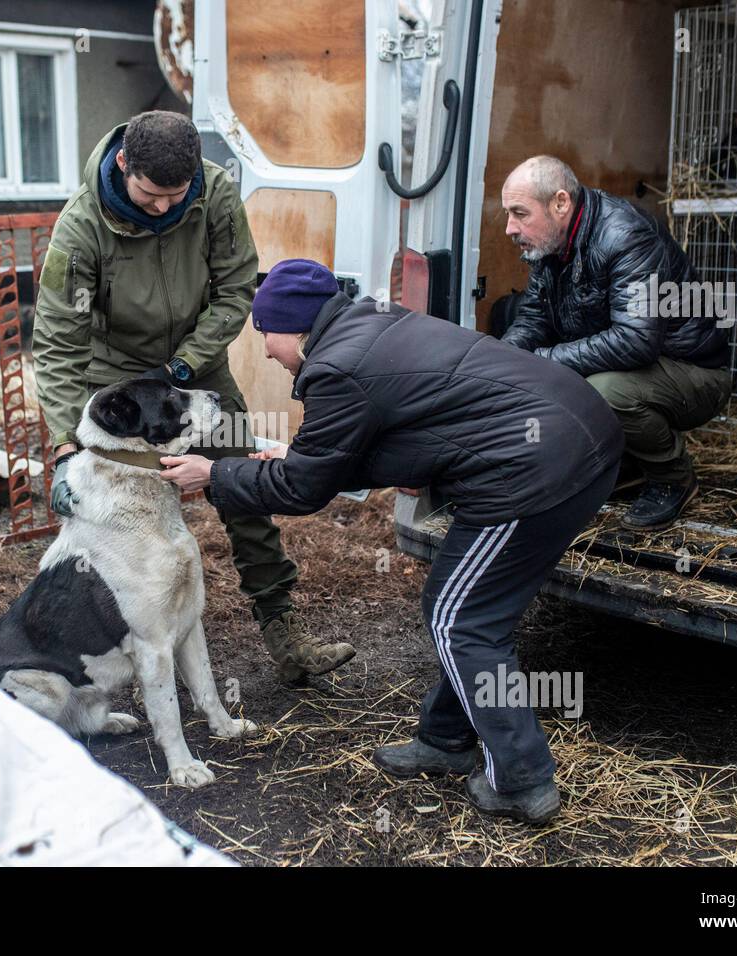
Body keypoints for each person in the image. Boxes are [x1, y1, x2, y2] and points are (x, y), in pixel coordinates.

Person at [160, 259, 624, 824]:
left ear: (296, 325)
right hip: (575, 438)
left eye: (265, 334)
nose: (264, 351)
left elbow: (303, 490)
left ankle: (522, 780)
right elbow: (386, 438)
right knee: (467, 614)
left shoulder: (336, 368)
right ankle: (446, 738)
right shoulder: (369, 325)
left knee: (462, 620)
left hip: (535, 468)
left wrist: (216, 476)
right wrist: (298, 457)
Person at [32, 110, 353, 682]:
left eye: (176, 197)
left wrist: (182, 365)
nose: (163, 208)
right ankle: (88, 651)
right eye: (152, 196)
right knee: (108, 517)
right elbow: (58, 343)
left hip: (196, 372)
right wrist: (64, 445)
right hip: (120, 391)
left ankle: (285, 635)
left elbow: (235, 290)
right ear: (123, 164)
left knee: (246, 491)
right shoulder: (80, 228)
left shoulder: (215, 193)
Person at [500, 156, 731, 529]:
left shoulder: (625, 235)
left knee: (605, 391)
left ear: (560, 203)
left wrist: (543, 360)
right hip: (637, 367)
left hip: (695, 372)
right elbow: (533, 318)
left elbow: (636, 340)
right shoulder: (551, 242)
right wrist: (502, 361)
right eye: (508, 214)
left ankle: (673, 479)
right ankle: (625, 466)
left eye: (520, 213)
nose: (510, 227)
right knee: (534, 359)